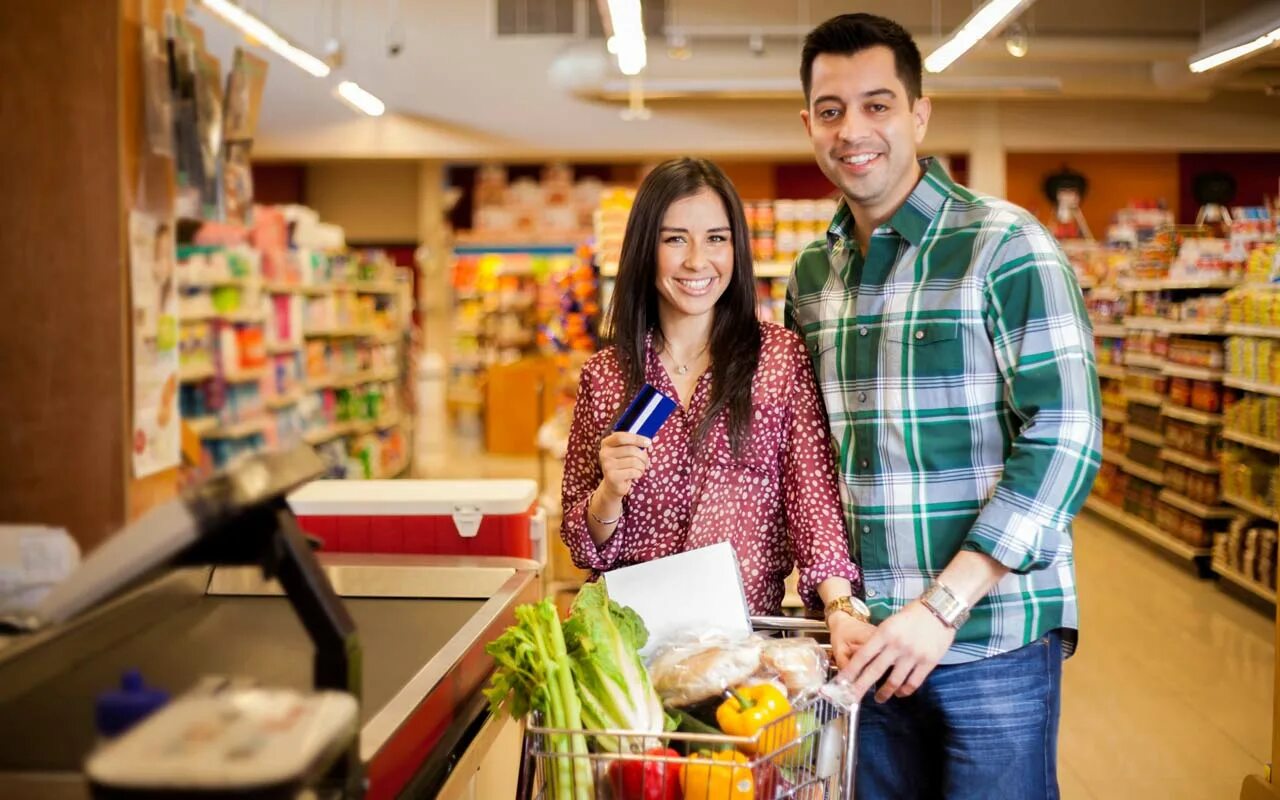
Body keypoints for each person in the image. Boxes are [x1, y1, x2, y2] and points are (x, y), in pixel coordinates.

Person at [787, 13, 1102, 799]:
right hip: (863, 648)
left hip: (990, 642)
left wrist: (942, 605)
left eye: (877, 104)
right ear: (808, 124)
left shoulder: (1005, 246)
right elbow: (808, 454)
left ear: (920, 114)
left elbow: (1066, 436)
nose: (853, 130)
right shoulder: (811, 277)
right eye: (831, 110)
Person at [559, 157, 867, 651]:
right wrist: (608, 494)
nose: (697, 260)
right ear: (645, 247)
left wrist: (840, 608)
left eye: (716, 239)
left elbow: (813, 504)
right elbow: (581, 540)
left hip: (741, 652)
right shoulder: (607, 375)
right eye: (675, 238)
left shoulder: (777, 360)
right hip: (631, 652)